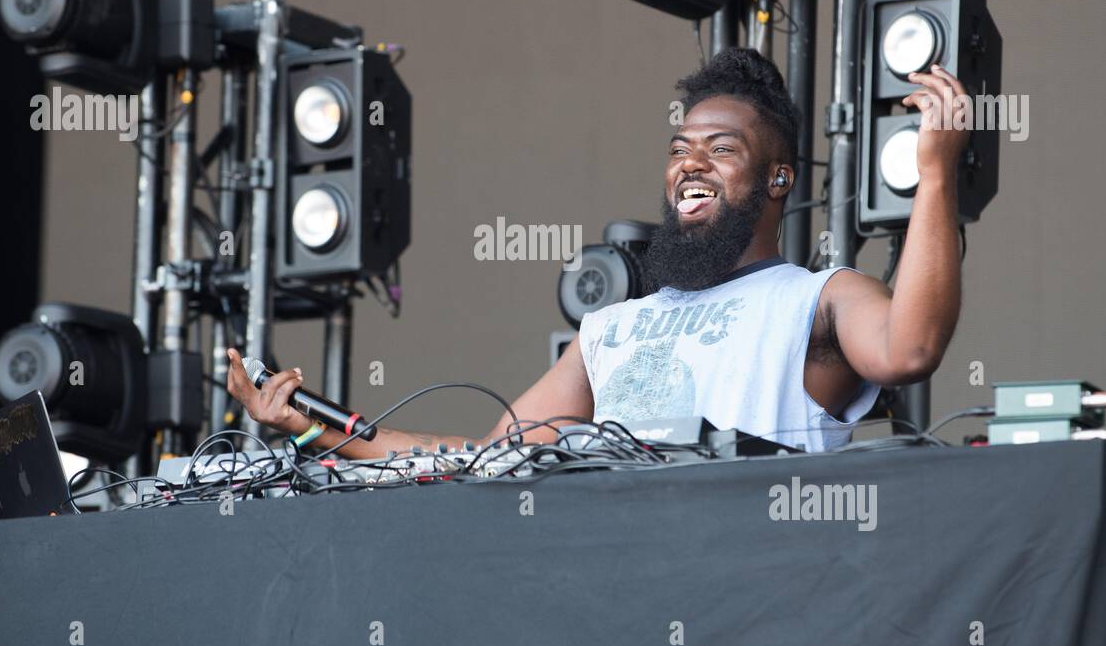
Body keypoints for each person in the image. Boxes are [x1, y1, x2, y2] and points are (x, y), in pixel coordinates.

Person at [227, 48, 969, 456]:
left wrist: (934, 175)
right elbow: (482, 460)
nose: (690, 164)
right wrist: (311, 423)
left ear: (778, 177)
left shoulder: (819, 300)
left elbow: (911, 348)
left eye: (721, 148)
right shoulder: (611, 329)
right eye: (680, 149)